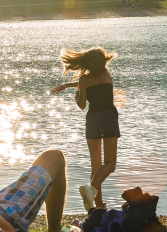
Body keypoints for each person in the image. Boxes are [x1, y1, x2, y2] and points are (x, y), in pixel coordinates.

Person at [50, 47, 119, 209]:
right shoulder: (106, 75)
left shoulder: (83, 81)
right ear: (103, 62)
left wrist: (73, 92)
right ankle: (91, 189)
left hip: (93, 119)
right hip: (108, 117)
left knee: (96, 166)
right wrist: (69, 86)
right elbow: (95, 82)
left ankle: (98, 205)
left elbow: (82, 106)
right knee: (110, 164)